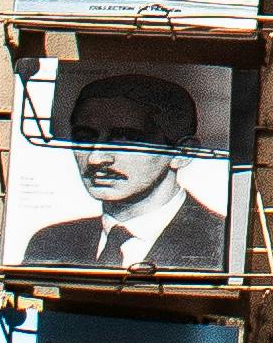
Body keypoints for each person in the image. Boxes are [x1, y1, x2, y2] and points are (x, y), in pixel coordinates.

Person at [15, 66, 226, 272]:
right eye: (84, 138)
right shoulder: (50, 242)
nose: (95, 159)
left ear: (182, 153)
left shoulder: (222, 241)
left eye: (125, 139)